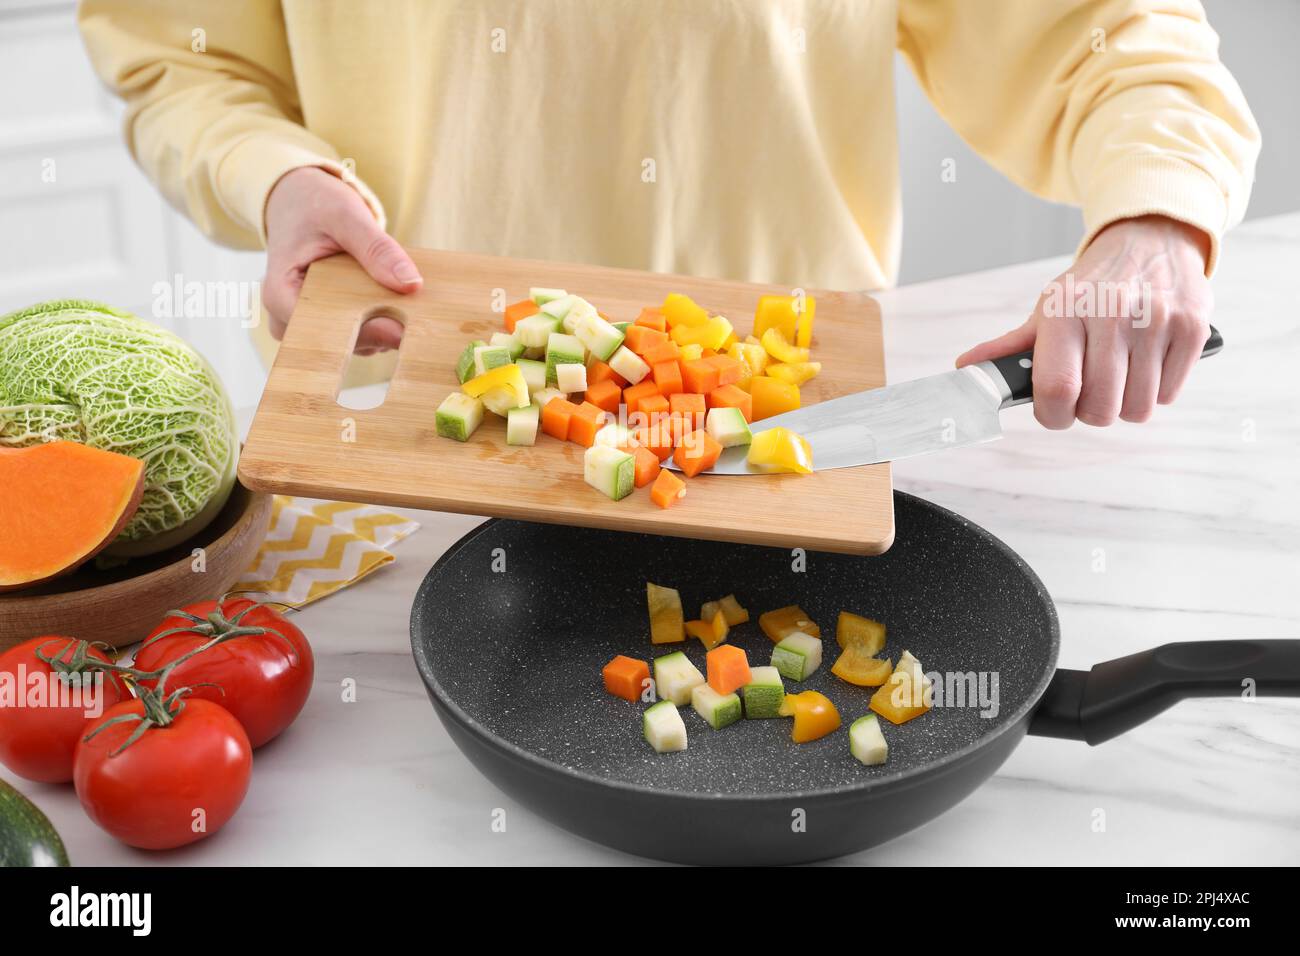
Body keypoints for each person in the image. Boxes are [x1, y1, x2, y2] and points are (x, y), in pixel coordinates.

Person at [79, 0, 1258, 429]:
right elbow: (180, 59)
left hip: (783, 441)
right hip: (396, 435)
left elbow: (1106, 34)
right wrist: (276, 172)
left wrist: (1153, 215)